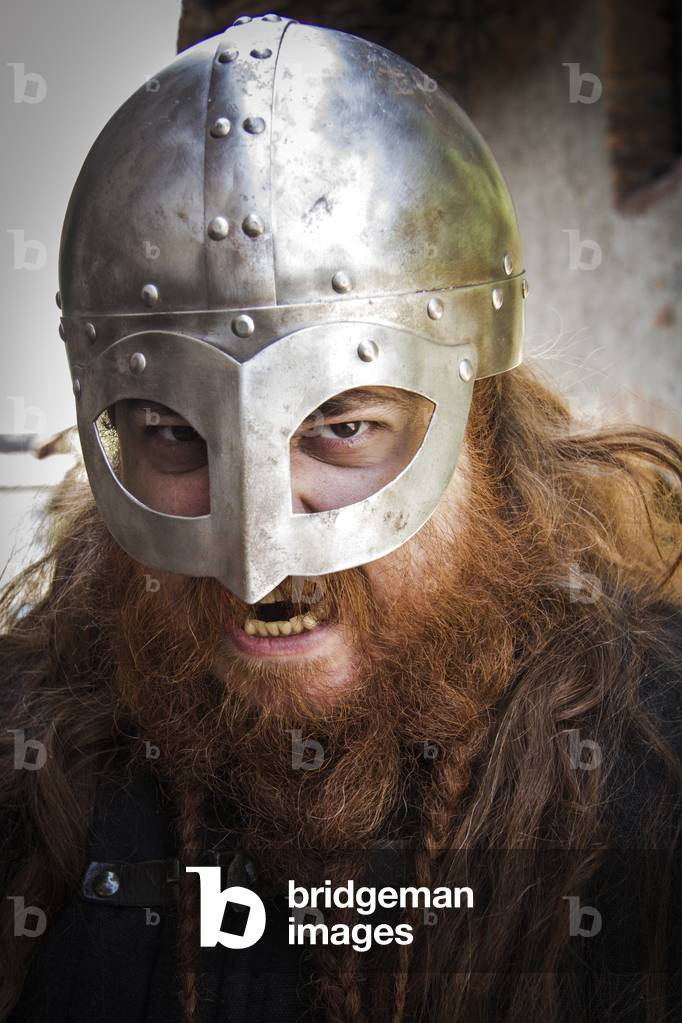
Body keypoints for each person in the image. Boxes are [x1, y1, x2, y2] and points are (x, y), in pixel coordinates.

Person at [1, 14, 680, 1023]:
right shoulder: (35, 764)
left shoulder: (652, 776)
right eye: (174, 435)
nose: (256, 545)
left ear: (480, 433)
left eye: (343, 427)